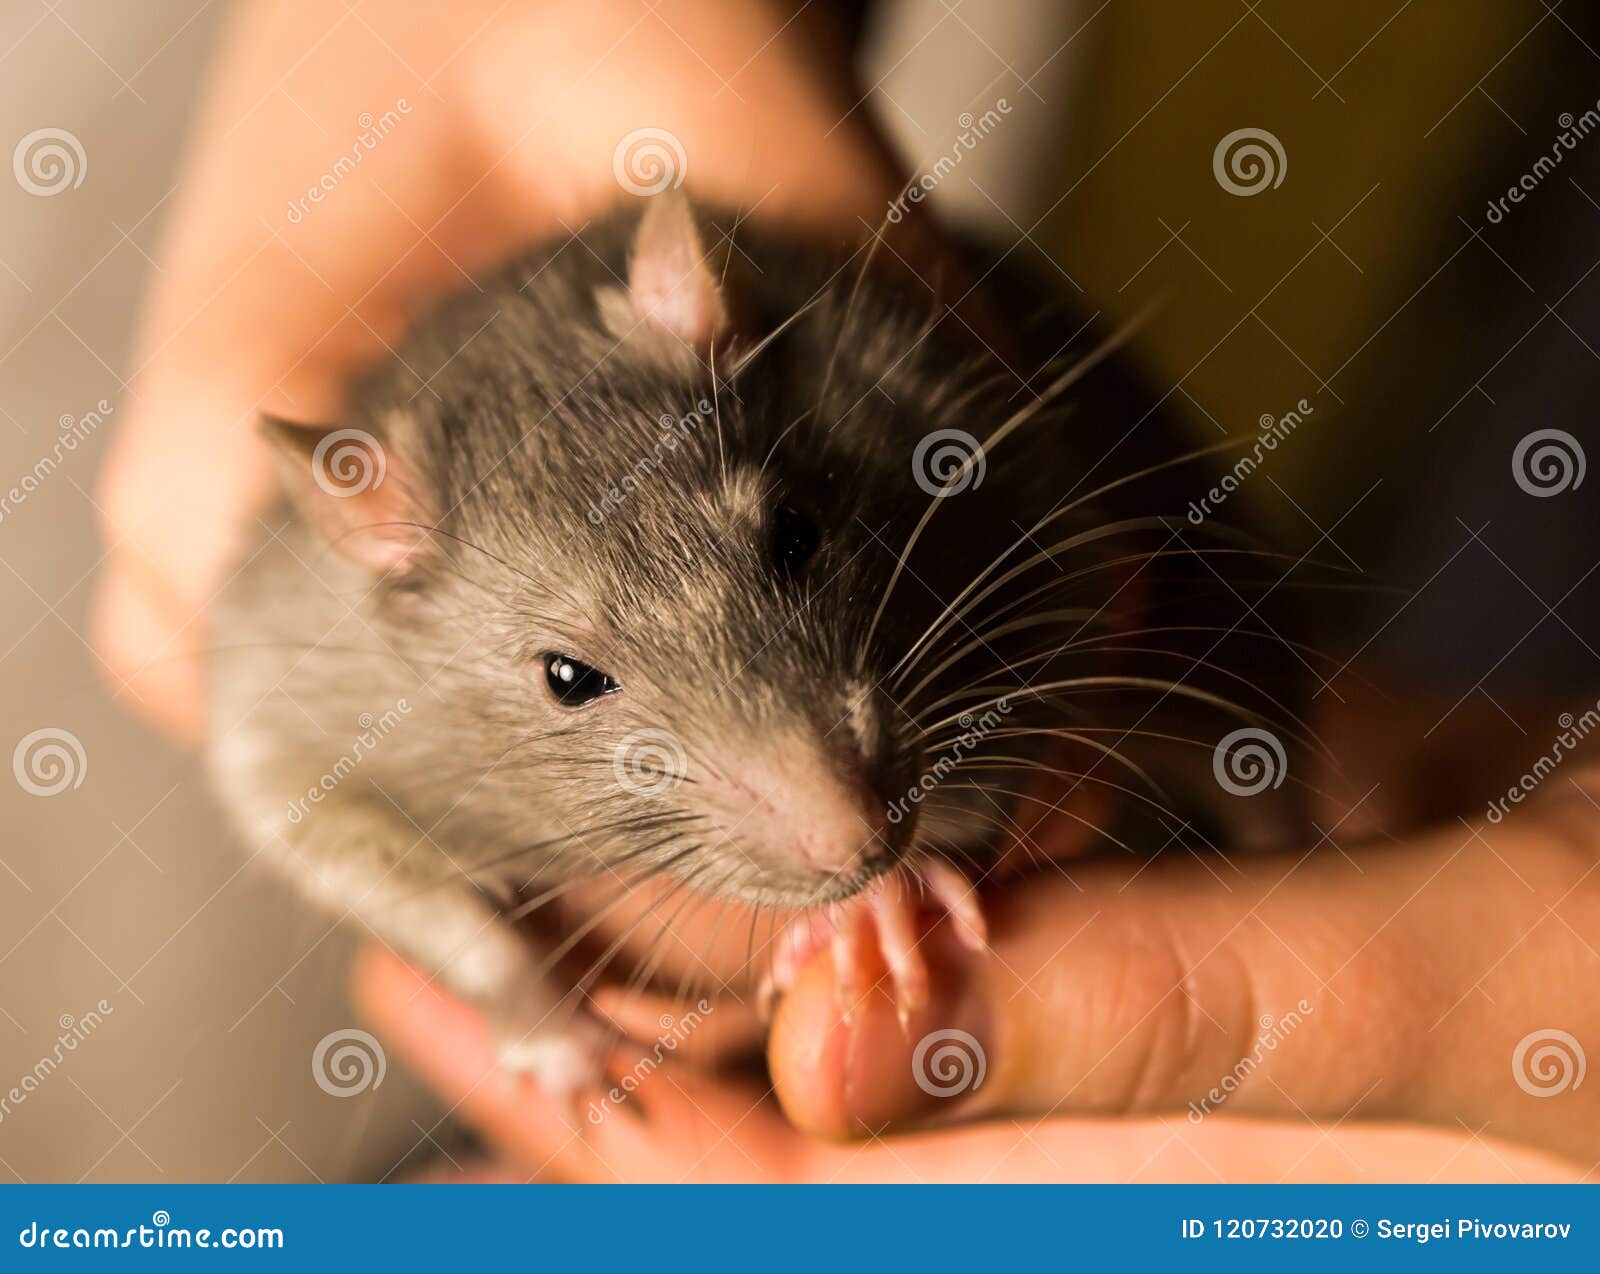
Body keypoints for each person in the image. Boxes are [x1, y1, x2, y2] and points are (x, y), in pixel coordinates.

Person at [95, 0, 1598, 1182]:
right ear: (375, 545)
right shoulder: (323, 636)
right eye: (576, 677)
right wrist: (507, 986)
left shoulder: (841, 374)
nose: (835, 806)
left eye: (793, 547)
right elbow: (287, 772)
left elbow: (1071, 558)